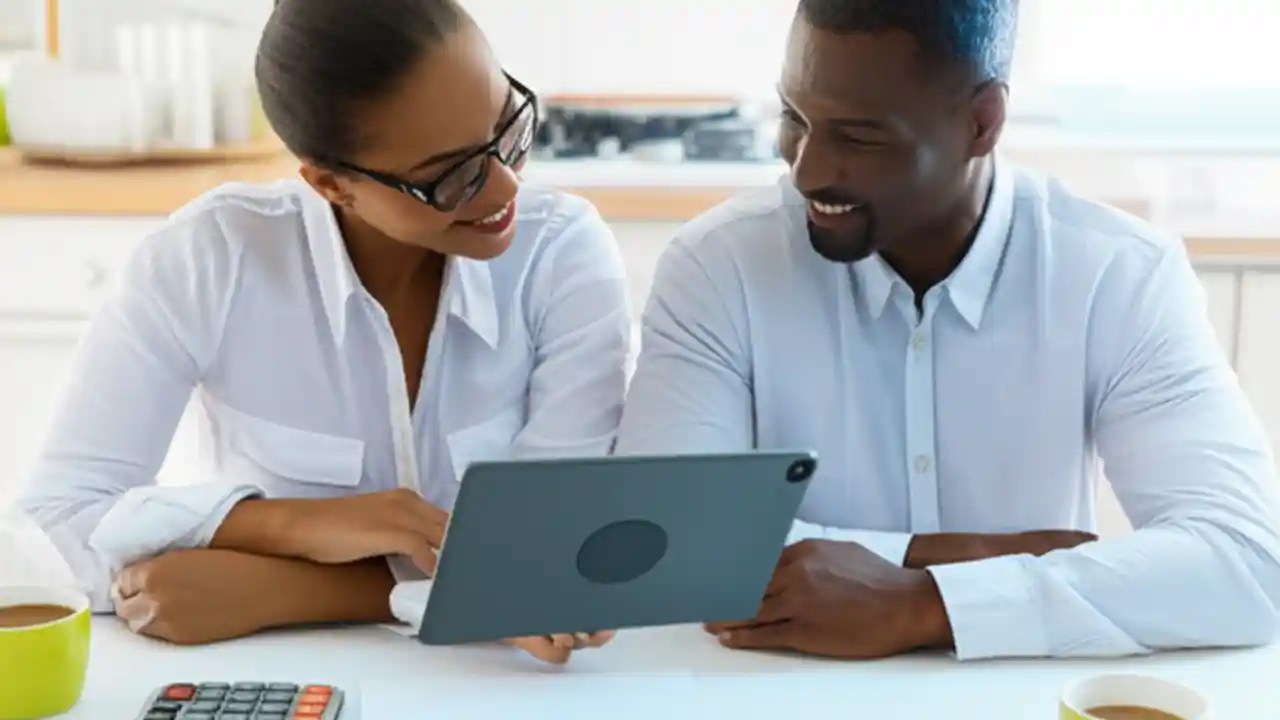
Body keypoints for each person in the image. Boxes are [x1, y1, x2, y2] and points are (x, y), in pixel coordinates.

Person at [616, 0, 1280, 661]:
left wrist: (924, 602)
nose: (807, 170)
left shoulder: (1117, 275)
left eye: (859, 136)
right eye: (795, 118)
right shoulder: (719, 265)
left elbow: (1250, 562)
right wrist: (973, 556)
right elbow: (661, 538)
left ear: (981, 122)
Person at [20, 0, 628, 664]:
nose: (506, 184)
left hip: (507, 684)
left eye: (507, 124)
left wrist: (281, 589)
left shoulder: (561, 253)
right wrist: (295, 524)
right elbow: (53, 523)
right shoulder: (210, 258)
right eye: (452, 176)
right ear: (331, 184)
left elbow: (548, 556)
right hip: (281, 679)